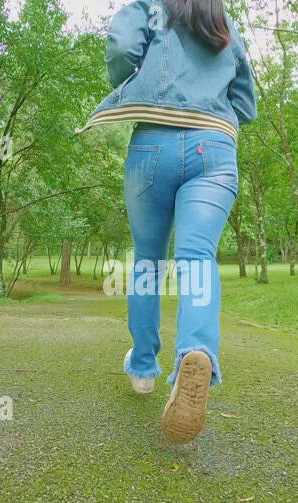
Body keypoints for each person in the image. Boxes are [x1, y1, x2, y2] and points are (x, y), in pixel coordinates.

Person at [77, 0, 257, 443]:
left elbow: (121, 49)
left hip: (152, 146)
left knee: (148, 263)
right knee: (197, 256)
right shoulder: (219, 17)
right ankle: (196, 353)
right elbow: (246, 102)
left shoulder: (148, 5)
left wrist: (136, 86)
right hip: (215, 149)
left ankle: (142, 368)